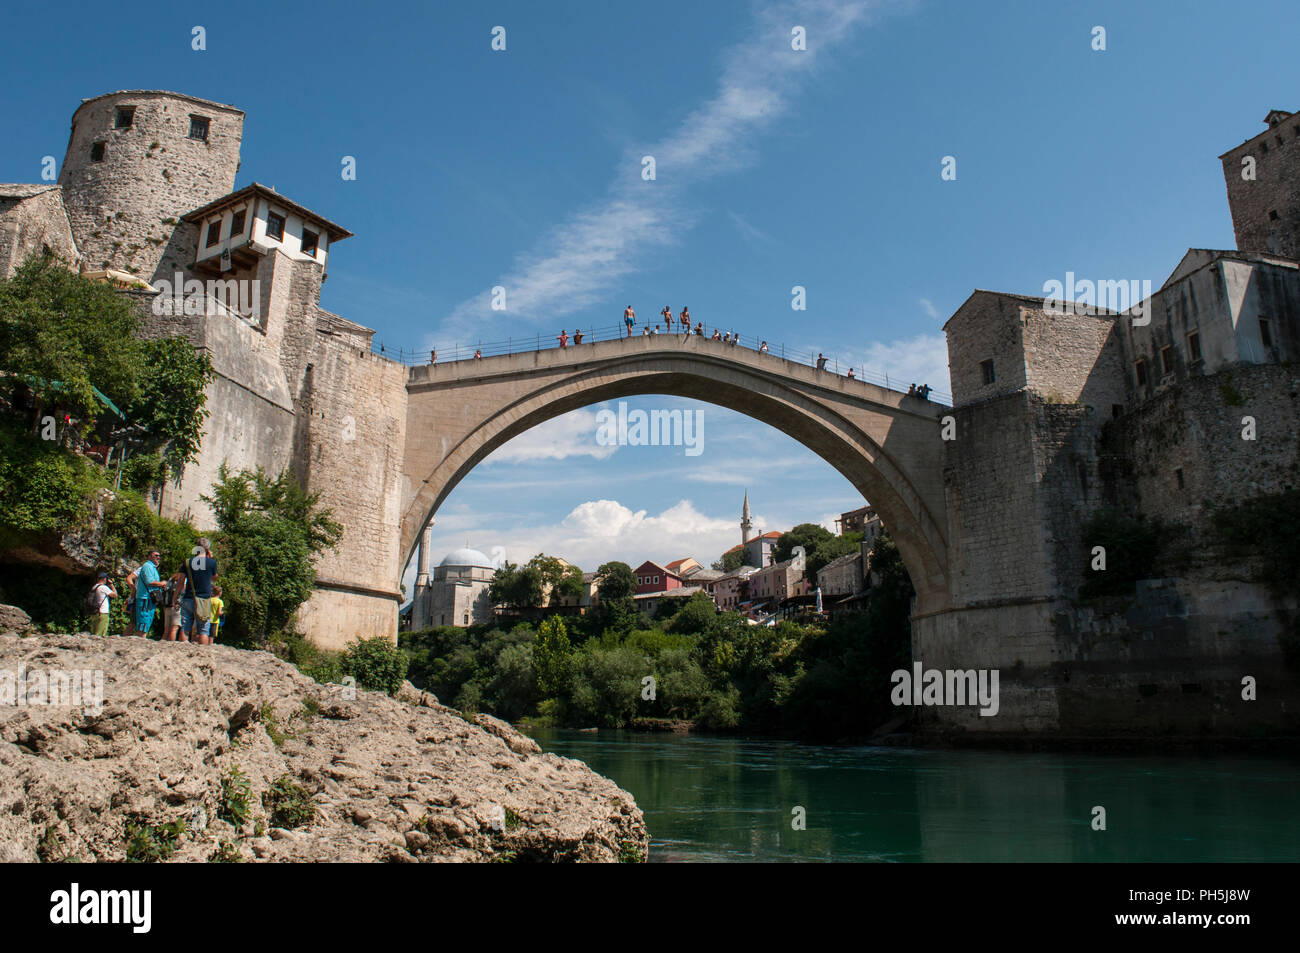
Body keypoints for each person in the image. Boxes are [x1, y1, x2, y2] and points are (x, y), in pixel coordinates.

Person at [181, 537, 219, 646]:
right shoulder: (212, 563)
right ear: (208, 548)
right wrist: (209, 558)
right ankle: (203, 655)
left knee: (185, 628)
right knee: (203, 630)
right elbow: (214, 577)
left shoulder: (188, 562)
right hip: (203, 599)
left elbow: (180, 581)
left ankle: (180, 653)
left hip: (188, 597)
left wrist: (175, 598)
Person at [125, 550, 165, 638]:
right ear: (149, 556)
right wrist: (162, 583)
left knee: (142, 623)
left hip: (148, 599)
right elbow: (149, 581)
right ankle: (138, 642)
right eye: (156, 555)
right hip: (144, 598)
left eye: (159, 556)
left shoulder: (152, 568)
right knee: (141, 623)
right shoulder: (147, 566)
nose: (158, 557)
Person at [86, 571, 116, 637]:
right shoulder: (103, 587)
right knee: (100, 634)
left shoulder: (94, 587)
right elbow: (115, 595)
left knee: (94, 633)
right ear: (105, 579)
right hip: (102, 613)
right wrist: (111, 585)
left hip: (95, 612)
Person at [161, 566, 186, 641]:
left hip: (167, 606)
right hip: (177, 606)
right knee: (174, 629)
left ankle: (162, 645)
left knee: (166, 630)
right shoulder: (183, 579)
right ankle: (171, 645)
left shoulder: (171, 579)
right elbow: (183, 590)